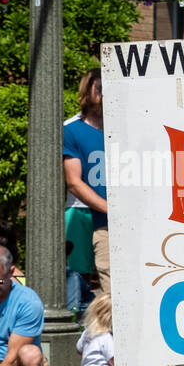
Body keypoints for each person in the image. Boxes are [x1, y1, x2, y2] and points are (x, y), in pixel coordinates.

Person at [63, 68, 109, 295]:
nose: (104, 93)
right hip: (81, 211)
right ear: (87, 89)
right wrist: (110, 208)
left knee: (109, 282)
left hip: (117, 221)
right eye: (100, 87)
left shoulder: (124, 128)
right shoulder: (71, 128)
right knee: (79, 280)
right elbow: (74, 182)